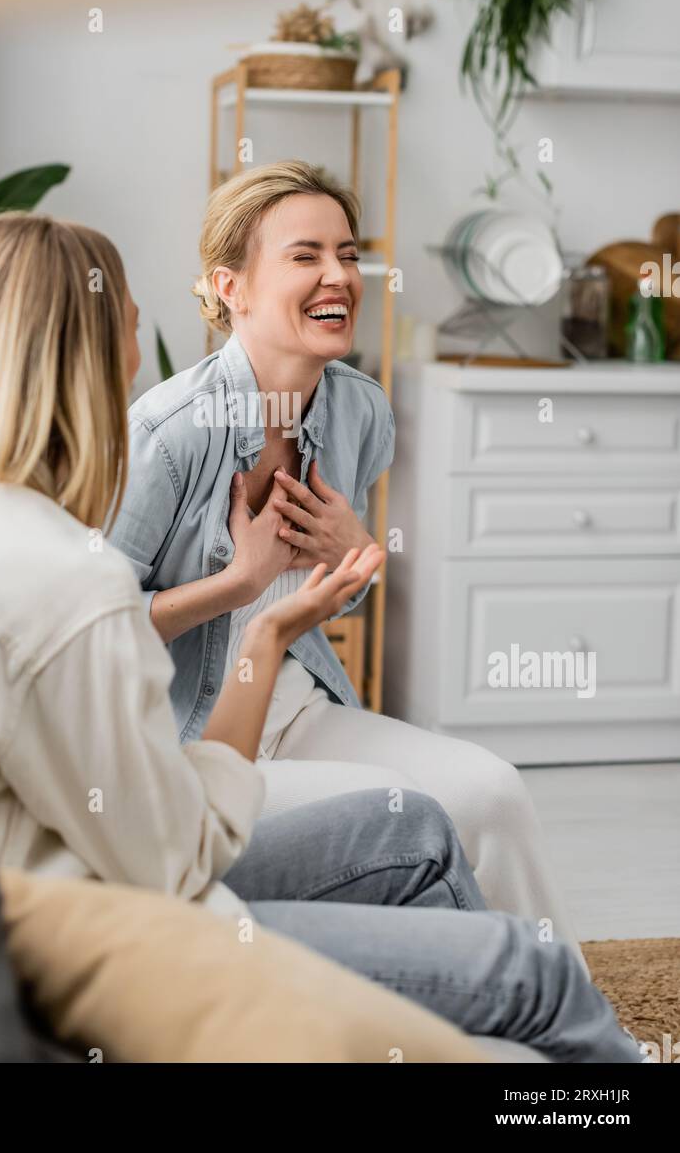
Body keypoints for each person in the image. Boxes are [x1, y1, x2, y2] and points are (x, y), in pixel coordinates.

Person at [0, 212, 635, 1060]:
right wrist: (248, 618)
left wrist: (297, 608)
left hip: (20, 892)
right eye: (130, 327)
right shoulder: (76, 560)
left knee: (418, 824)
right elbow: (177, 865)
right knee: (525, 967)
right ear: (100, 352)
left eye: (347, 255)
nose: (139, 359)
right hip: (93, 937)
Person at [109, 160, 582, 955]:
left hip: (293, 710)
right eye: (305, 256)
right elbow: (97, 632)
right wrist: (236, 585)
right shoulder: (165, 435)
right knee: (408, 809)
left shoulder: (359, 410)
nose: (339, 276)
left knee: (492, 790)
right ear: (232, 287)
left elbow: (329, 594)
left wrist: (354, 558)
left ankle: (567, 1029)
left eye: (348, 253)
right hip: (182, 742)